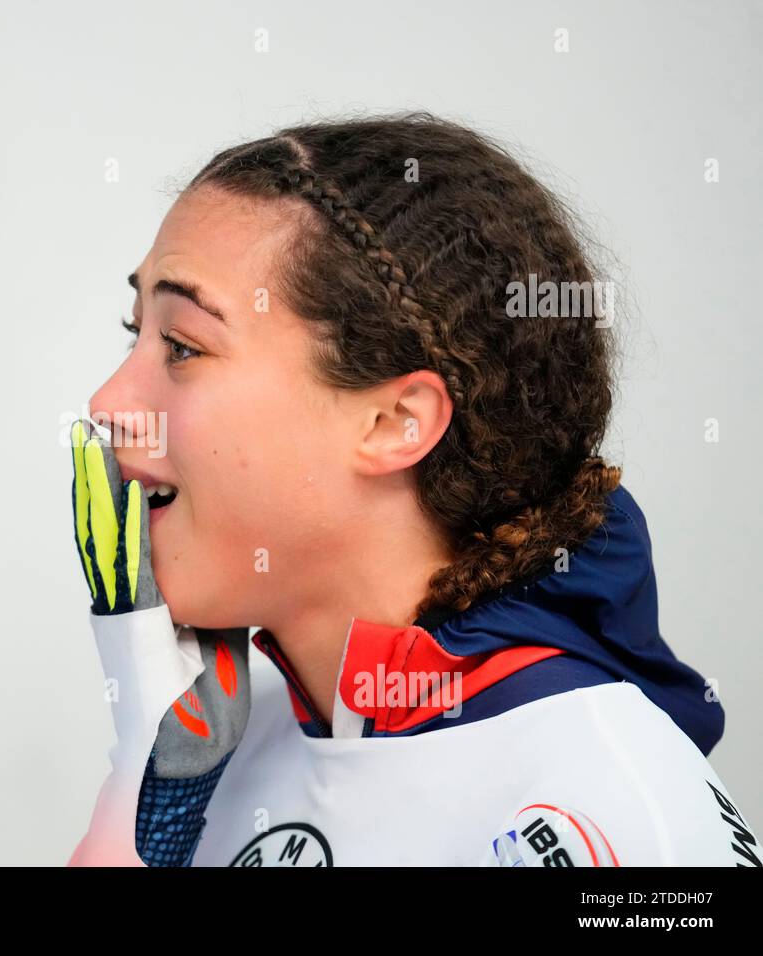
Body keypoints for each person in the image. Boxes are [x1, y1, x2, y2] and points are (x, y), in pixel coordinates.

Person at [64, 113, 757, 867]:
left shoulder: (615, 817)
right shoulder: (218, 758)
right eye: (133, 333)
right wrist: (149, 808)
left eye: (184, 346)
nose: (107, 403)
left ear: (397, 421)